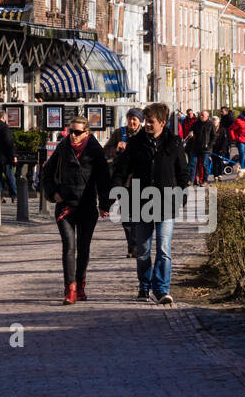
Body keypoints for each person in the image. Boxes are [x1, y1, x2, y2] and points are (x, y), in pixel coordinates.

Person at [108, 102, 188, 305]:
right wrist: (114, 193)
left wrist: (181, 195)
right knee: (142, 250)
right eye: (146, 122)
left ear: (162, 122)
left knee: (163, 248)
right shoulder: (136, 143)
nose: (147, 125)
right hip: (141, 202)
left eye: (151, 122)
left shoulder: (174, 143)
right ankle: (144, 285)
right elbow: (122, 169)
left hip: (165, 202)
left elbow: (182, 173)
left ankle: (161, 289)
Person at [41, 117, 110, 304]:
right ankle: (70, 288)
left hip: (87, 206)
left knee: (84, 248)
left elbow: (104, 179)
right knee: (69, 247)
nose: (73, 135)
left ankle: (80, 284)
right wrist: (52, 192)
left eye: (77, 132)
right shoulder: (63, 148)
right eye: (71, 131)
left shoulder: (95, 151)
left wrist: (105, 204)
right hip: (65, 206)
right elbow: (46, 172)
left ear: (86, 133)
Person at [103, 107, 144, 257]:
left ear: (140, 121)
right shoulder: (119, 133)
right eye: (130, 118)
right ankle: (132, 246)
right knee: (126, 215)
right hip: (123, 181)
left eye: (135, 119)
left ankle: (140, 244)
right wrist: (115, 148)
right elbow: (105, 151)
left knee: (140, 214)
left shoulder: (145, 134)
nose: (132, 122)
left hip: (140, 180)